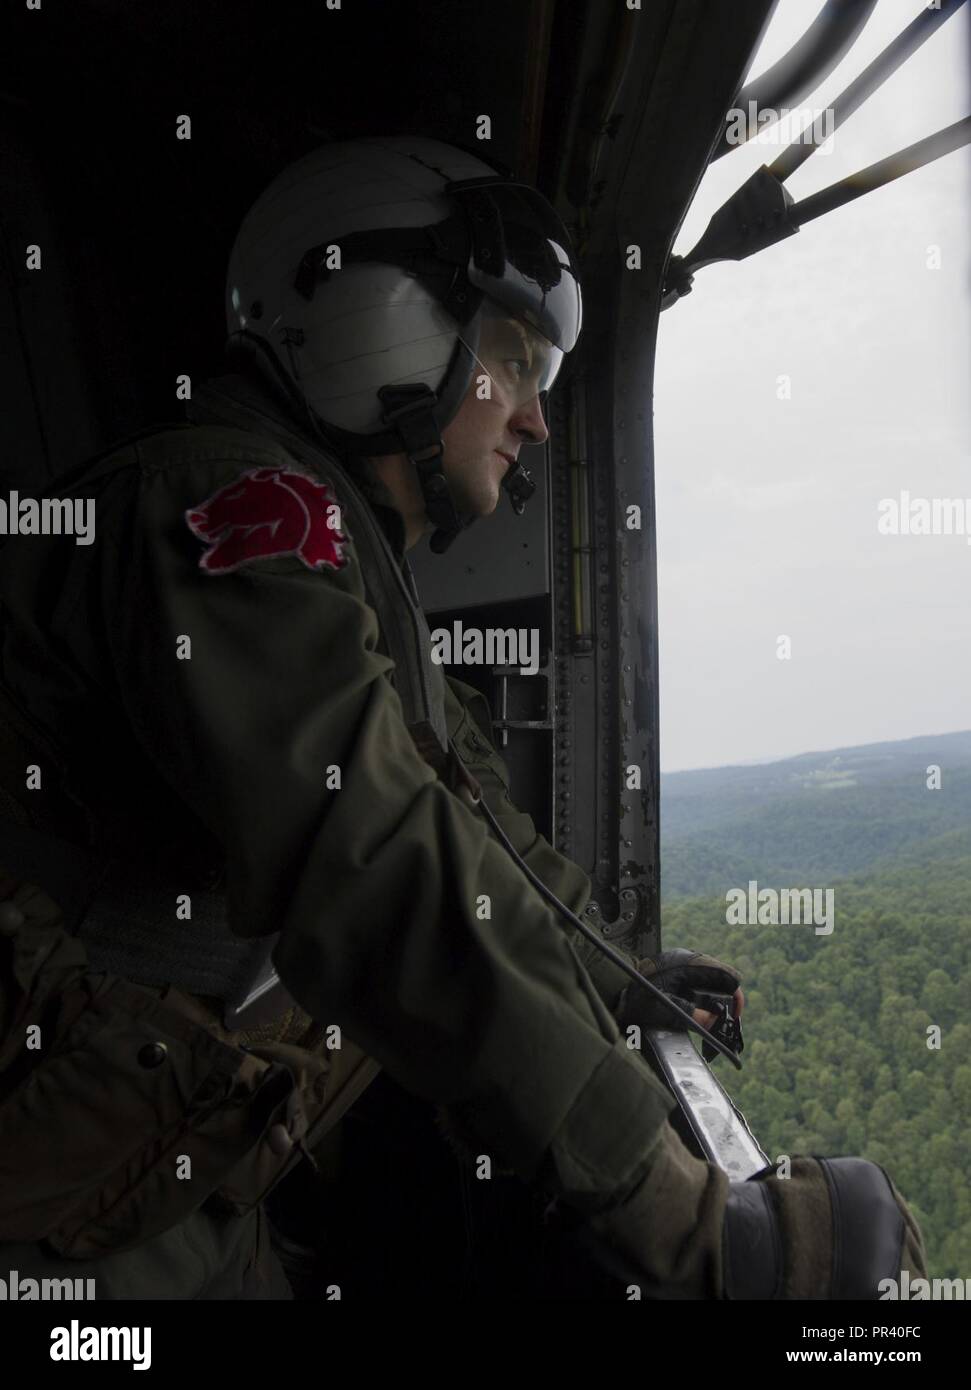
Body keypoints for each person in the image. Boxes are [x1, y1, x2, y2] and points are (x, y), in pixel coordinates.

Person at [0, 136, 925, 1300]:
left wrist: (614, 970)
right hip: (54, 1208)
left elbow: (467, 819)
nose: (535, 418)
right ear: (375, 322)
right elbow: (376, 857)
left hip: (157, 1163)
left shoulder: (343, 567)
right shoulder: (226, 508)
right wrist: (680, 1215)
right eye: (514, 359)